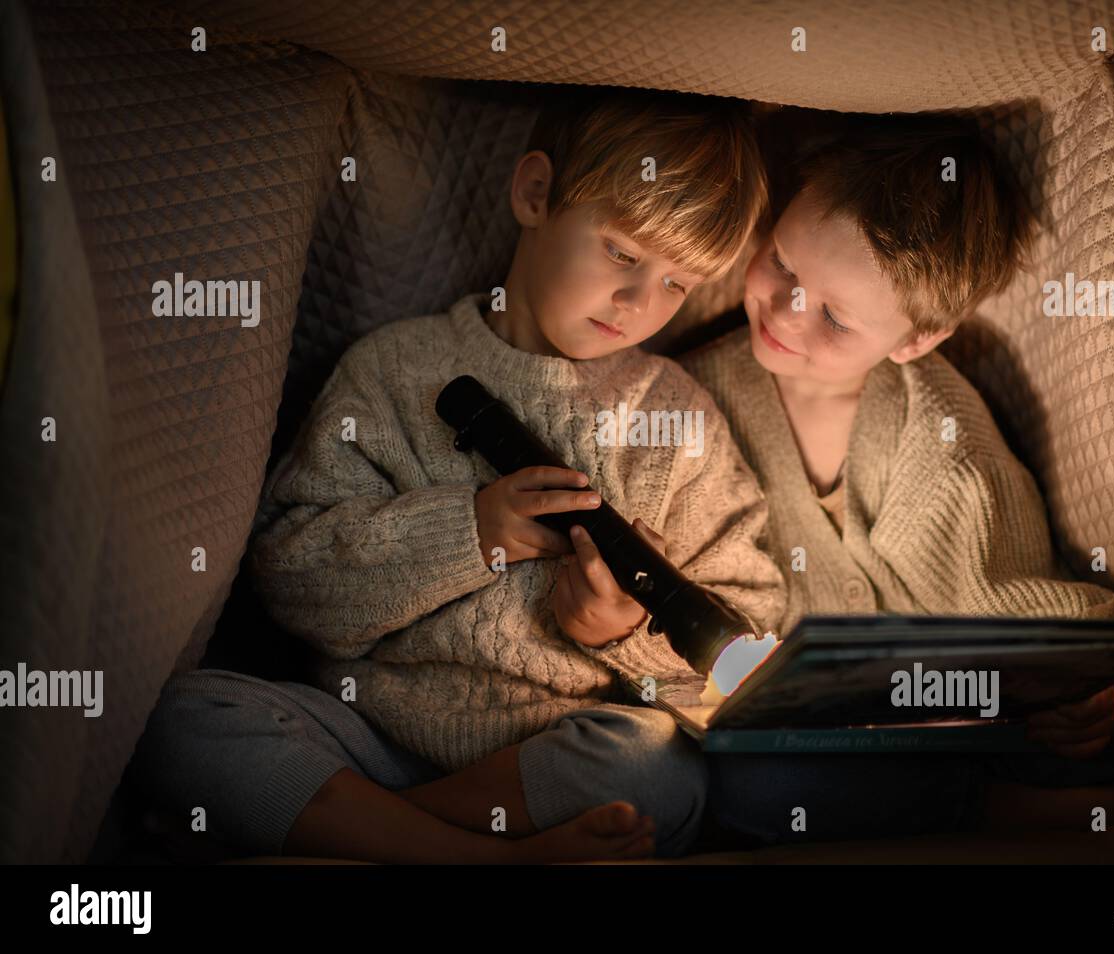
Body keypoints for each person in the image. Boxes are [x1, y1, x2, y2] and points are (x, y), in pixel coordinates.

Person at [130, 88, 784, 863]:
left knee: (660, 767)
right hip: (371, 740)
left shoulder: (679, 420)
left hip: (552, 759)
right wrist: (467, 532)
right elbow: (291, 579)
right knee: (186, 716)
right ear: (536, 194)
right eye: (622, 253)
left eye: (677, 283)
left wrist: (628, 636)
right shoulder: (395, 368)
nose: (641, 302)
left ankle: (376, 834)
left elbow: (749, 634)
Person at [681, 114, 1114, 847]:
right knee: (759, 784)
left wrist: (1064, 699)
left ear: (916, 340)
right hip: (819, 747)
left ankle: (1001, 798)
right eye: (781, 262)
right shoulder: (692, 398)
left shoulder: (946, 441)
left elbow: (1034, 627)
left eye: (835, 318)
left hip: (974, 726)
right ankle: (1075, 815)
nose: (783, 310)